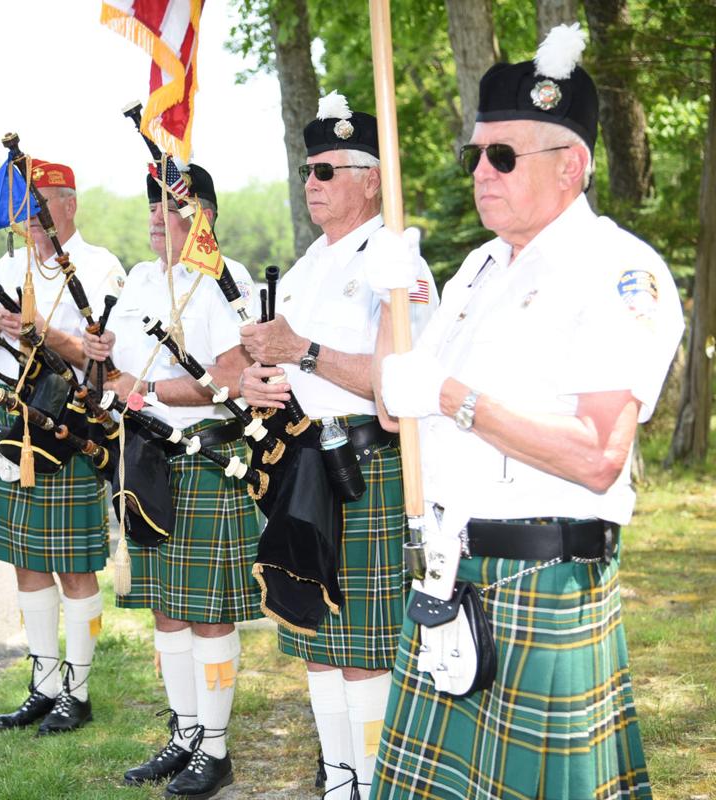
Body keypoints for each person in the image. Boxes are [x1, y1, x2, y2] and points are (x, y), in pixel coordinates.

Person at [368, 24, 682, 798]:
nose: (482, 170)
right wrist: (392, 301)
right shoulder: (476, 268)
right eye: (475, 154)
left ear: (571, 166)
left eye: (503, 156)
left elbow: (596, 454)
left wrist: (451, 397)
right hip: (450, 573)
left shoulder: (618, 270)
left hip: (541, 582)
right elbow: (391, 409)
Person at [236, 92, 437, 799]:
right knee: (314, 635)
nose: (310, 184)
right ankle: (339, 779)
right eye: (306, 171)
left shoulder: (397, 258)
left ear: (371, 178)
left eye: (325, 171)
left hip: (364, 468)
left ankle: (375, 783)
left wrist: (304, 351)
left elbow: (394, 386)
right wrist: (258, 380)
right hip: (300, 465)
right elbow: (266, 361)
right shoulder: (305, 265)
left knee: (363, 650)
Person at [82, 164, 260, 799]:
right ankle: (186, 731)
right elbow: (116, 376)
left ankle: (215, 748)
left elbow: (231, 377)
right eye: (152, 206)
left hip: (204, 456)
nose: (157, 217)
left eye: (173, 206)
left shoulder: (225, 279)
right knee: (166, 605)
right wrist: (99, 362)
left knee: (207, 610)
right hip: (146, 457)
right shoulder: (135, 279)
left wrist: (146, 389)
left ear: (203, 215)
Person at [0, 160, 125, 735]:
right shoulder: (9, 264)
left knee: (75, 565)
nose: (29, 215)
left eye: (42, 202)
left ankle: (76, 694)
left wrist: (42, 334)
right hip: (14, 424)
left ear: (70, 204)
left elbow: (107, 362)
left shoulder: (100, 268)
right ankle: (44, 684)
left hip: (69, 424)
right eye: (24, 205)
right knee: (27, 562)